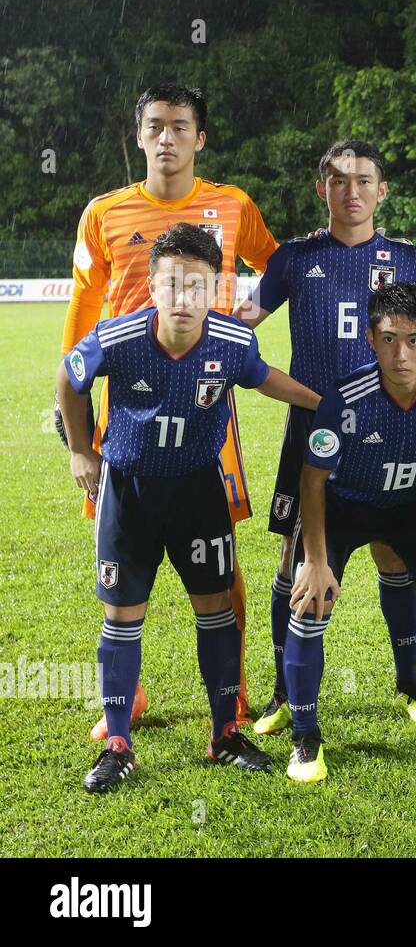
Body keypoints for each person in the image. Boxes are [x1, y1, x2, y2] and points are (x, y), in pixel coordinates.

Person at [57, 224, 317, 793]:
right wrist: (81, 451)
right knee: (122, 616)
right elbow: (69, 378)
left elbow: (264, 379)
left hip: (200, 490)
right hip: (129, 491)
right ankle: (120, 743)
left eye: (196, 286)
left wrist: (322, 403)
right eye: (171, 284)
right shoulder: (117, 338)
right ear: (152, 286)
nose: (183, 297)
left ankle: (225, 732)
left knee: (216, 608)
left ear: (215, 289)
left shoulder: (232, 342)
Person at [60, 83, 279, 738]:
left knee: (220, 553)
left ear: (199, 137)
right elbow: (82, 306)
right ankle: (128, 697)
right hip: (124, 410)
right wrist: (72, 417)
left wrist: (250, 317)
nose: (166, 138)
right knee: (125, 552)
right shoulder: (103, 214)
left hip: (209, 407)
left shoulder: (232, 206)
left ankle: (231, 695)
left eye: (180, 127)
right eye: (155, 126)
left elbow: (283, 266)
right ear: (138, 135)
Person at [236, 139, 416, 735]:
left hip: (393, 427)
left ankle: (410, 683)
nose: (350, 191)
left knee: (393, 550)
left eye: (363, 180)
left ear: (382, 191)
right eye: (337, 180)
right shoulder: (294, 259)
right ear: (321, 189)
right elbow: (240, 325)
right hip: (314, 429)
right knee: (296, 563)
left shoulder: (408, 259)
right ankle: (282, 693)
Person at [287, 282, 416, 783]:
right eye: (390, 339)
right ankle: (305, 735)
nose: (402, 353)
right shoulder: (343, 398)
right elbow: (312, 480)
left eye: (415, 340)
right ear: (371, 339)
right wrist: (314, 559)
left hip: (406, 504)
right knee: (312, 602)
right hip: (341, 506)